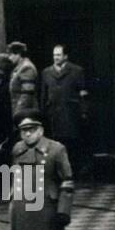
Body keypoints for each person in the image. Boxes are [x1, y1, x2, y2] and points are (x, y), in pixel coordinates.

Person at [0, 111, 74, 230]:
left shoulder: (56, 149)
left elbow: (67, 180)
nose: (27, 134)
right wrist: (4, 147)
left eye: (31, 129)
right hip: (20, 208)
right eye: (23, 130)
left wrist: (64, 211)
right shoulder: (16, 148)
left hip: (46, 207)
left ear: (41, 130)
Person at [40, 44, 88, 174]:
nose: (56, 57)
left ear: (65, 56)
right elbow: (43, 94)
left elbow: (83, 93)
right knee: (55, 143)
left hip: (70, 113)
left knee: (71, 143)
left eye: (59, 55)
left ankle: (73, 171)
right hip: (54, 114)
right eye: (54, 55)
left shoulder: (77, 71)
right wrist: (43, 112)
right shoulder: (46, 72)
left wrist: (83, 111)